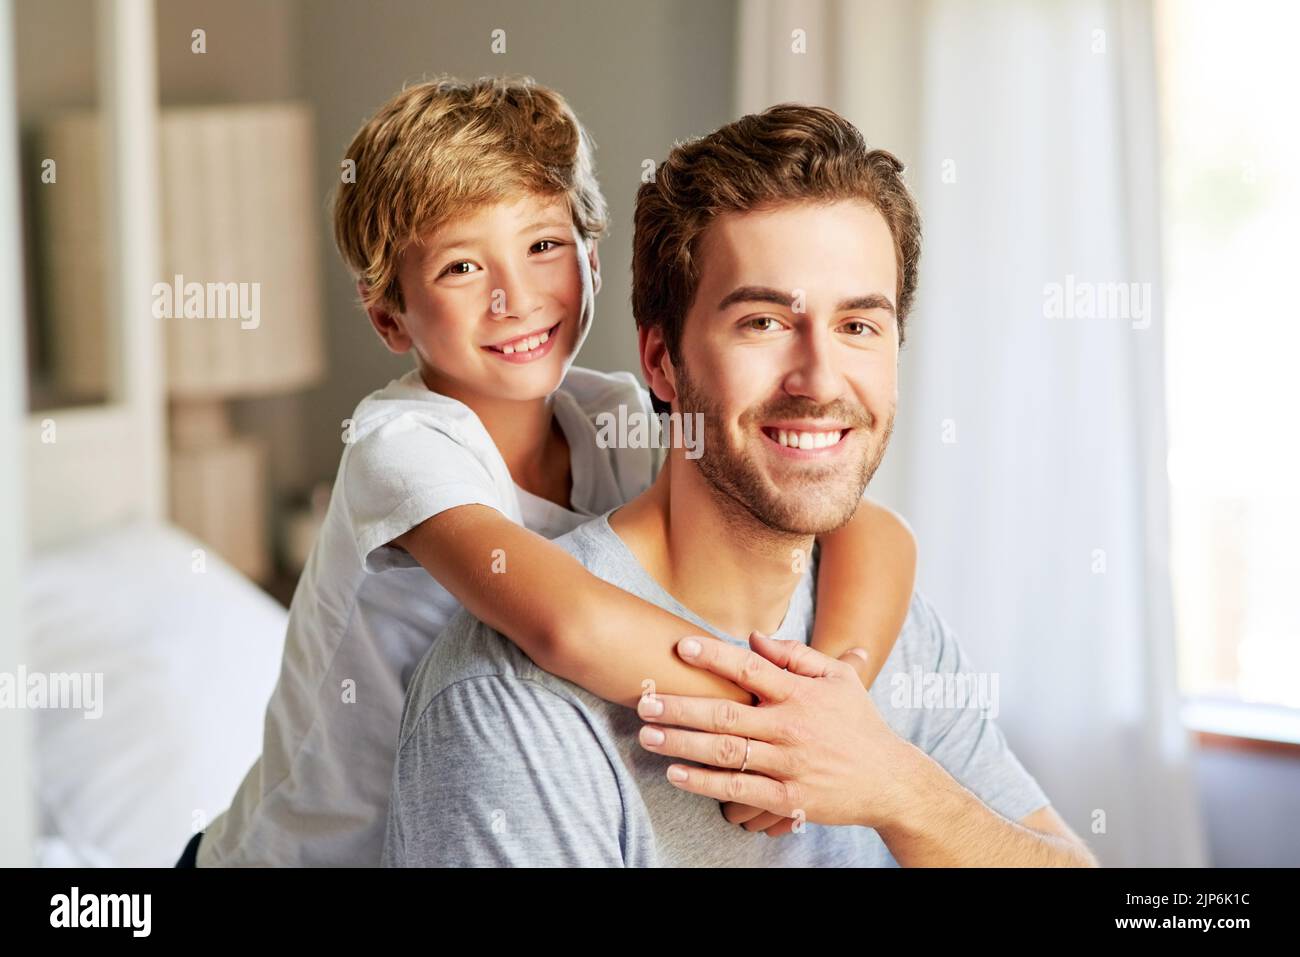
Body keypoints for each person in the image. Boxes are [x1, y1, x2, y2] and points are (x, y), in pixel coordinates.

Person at [187, 77, 916, 867]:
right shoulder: (400, 445)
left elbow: (869, 530)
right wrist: (774, 732)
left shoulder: (610, 414)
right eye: (461, 268)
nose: (514, 297)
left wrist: (838, 690)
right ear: (389, 315)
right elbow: (566, 623)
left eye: (542, 246)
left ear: (592, 261)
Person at [384, 103, 1098, 867]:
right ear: (661, 361)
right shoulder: (508, 703)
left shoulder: (883, 629)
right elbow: (569, 624)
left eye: (859, 325)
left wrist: (899, 787)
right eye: (763, 322)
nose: (819, 379)